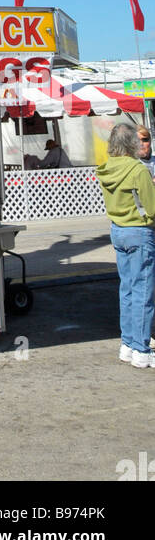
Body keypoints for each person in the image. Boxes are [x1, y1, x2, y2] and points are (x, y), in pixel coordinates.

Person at [97, 121, 155, 368]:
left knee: (127, 289)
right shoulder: (137, 169)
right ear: (131, 143)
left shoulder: (107, 167)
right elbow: (151, 208)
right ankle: (142, 349)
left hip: (117, 229)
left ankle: (128, 344)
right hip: (139, 231)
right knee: (143, 291)